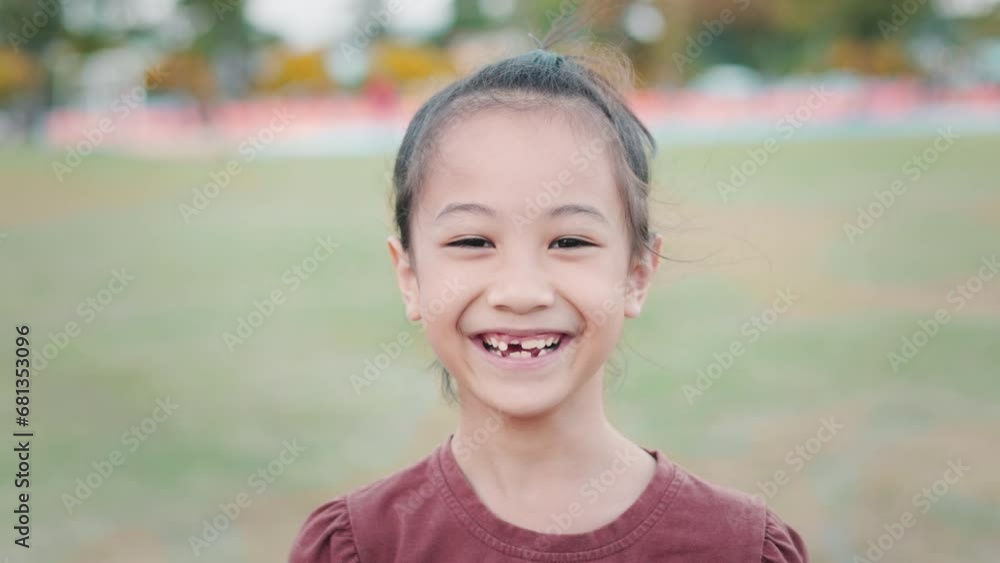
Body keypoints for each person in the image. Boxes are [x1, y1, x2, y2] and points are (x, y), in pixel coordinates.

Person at [288, 28, 809, 563]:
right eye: (472, 241)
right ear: (410, 278)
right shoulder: (363, 547)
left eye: (569, 242)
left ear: (636, 275)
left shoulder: (737, 547)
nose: (521, 292)